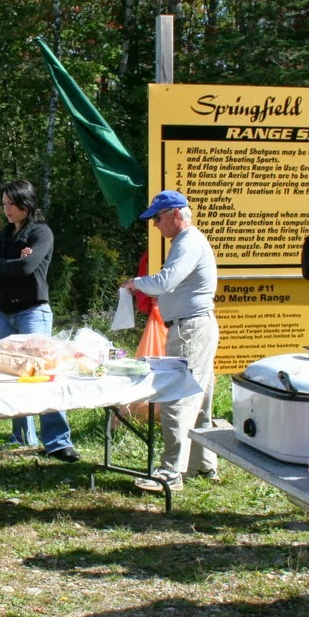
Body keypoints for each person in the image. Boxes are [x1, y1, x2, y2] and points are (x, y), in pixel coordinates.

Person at [122, 190, 220, 492]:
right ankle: (203, 465)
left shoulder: (188, 242)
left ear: (177, 214)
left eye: (158, 217)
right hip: (194, 327)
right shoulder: (187, 241)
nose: (155, 225)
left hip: (190, 330)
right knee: (200, 399)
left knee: (178, 399)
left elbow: (165, 281)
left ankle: (170, 472)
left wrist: (135, 284)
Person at [0, 179, 80, 462]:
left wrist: (7, 264)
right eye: (3, 204)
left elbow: (28, 267)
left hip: (32, 312)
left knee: (44, 375)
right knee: (14, 375)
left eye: (11, 204)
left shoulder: (41, 232)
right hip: (4, 312)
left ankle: (59, 442)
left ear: (26, 203)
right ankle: (23, 436)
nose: (7, 210)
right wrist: (9, 262)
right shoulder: (4, 234)